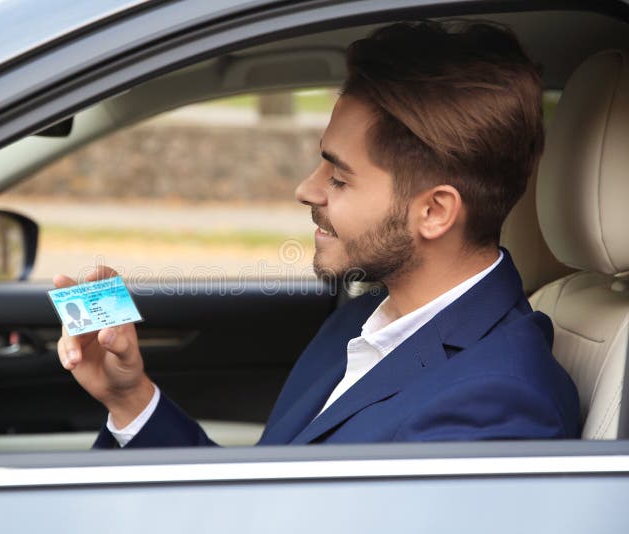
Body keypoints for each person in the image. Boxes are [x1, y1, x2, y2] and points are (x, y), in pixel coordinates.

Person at [54, 21, 580, 448]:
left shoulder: (497, 406)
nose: (307, 189)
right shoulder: (363, 318)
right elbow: (259, 504)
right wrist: (131, 400)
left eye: (339, 176)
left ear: (435, 212)